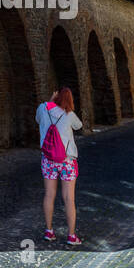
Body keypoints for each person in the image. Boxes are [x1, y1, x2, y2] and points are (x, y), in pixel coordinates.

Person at [36, 87, 83, 246]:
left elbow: (38, 119)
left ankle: (49, 231)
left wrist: (50, 100)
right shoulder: (69, 115)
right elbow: (79, 125)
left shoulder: (43, 109)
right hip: (67, 161)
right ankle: (71, 236)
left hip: (48, 159)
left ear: (55, 98)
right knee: (69, 198)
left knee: (49, 194)